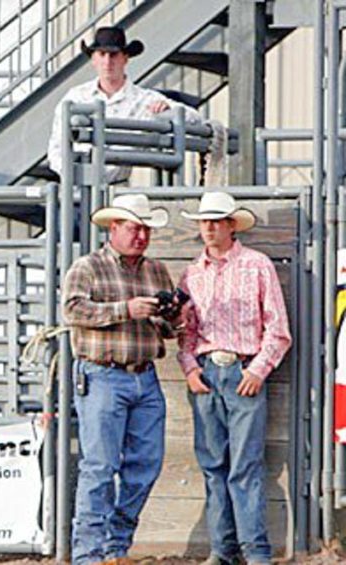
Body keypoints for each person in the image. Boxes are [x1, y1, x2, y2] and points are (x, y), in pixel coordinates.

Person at [62, 193, 178, 565]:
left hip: (144, 374)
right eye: (134, 228)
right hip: (102, 373)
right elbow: (71, 311)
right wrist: (125, 309)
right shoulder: (87, 267)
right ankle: (89, 553)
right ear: (114, 228)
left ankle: (115, 545)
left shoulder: (156, 271)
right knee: (100, 465)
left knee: (146, 464)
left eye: (145, 229)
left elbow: (166, 328)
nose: (141, 235)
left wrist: (173, 316)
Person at [177, 192, 291, 565]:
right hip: (207, 373)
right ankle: (222, 549)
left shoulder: (257, 266)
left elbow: (278, 327)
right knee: (214, 466)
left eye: (216, 221)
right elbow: (186, 330)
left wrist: (258, 369)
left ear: (231, 225)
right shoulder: (191, 273)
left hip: (243, 370)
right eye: (204, 221)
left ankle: (255, 550)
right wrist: (190, 368)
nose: (209, 228)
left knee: (244, 465)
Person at [47, 26, 203, 184]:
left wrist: (169, 109)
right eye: (102, 54)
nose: (108, 61)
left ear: (125, 58)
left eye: (114, 55)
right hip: (76, 188)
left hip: (117, 191)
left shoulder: (145, 99)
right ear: (93, 59)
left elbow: (195, 119)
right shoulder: (75, 97)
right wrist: (72, 176)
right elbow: (56, 148)